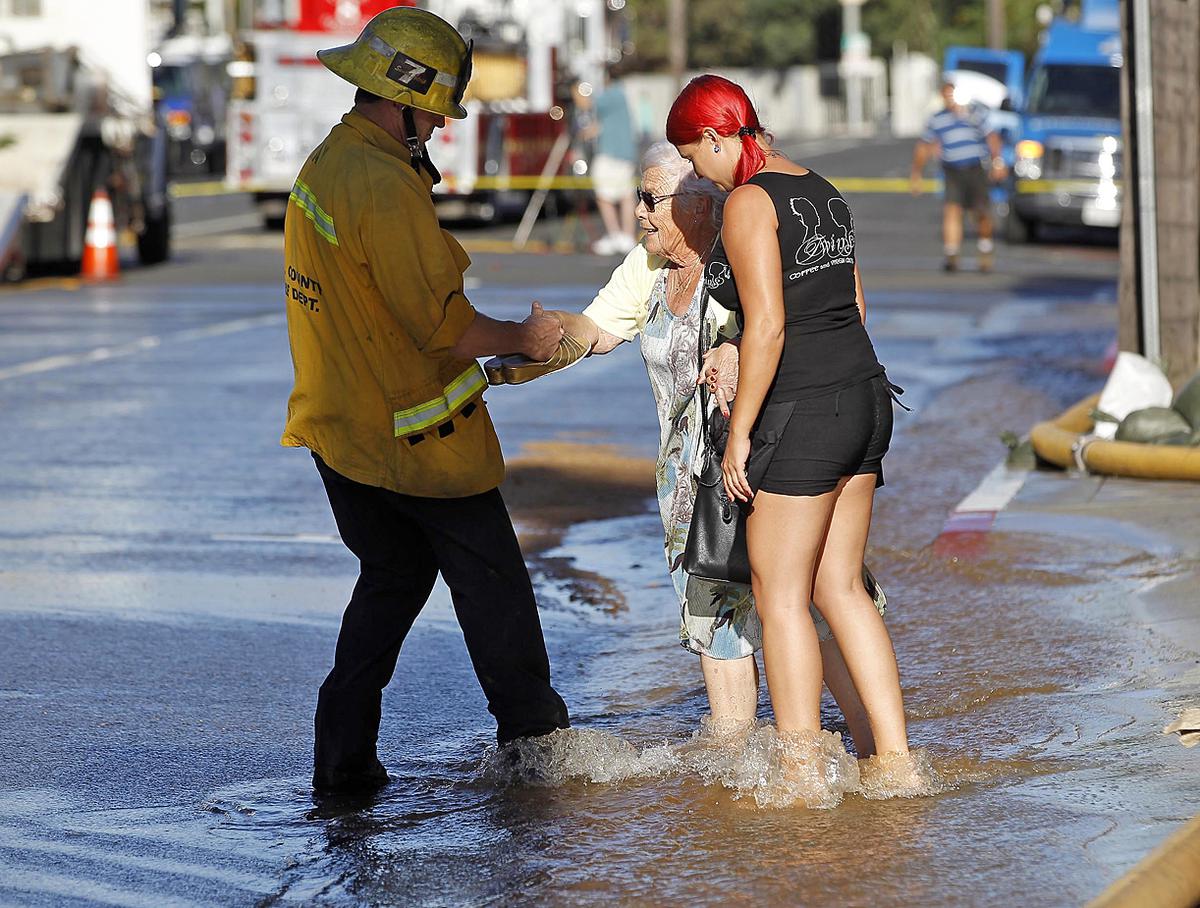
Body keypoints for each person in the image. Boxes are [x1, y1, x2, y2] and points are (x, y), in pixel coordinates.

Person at [494, 141, 889, 755]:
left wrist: (735, 350)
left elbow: (815, 320)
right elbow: (596, 332)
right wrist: (535, 341)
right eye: (637, 199)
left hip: (778, 462)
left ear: (701, 204)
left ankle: (870, 755)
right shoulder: (648, 268)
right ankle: (741, 781)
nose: (640, 214)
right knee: (720, 626)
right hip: (691, 489)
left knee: (813, 604)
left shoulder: (749, 243)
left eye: (651, 200)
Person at [281, 7, 570, 796]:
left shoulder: (330, 162)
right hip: (417, 442)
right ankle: (537, 751)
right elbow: (445, 325)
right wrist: (529, 336)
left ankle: (342, 764)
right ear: (405, 102)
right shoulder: (382, 184)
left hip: (341, 438)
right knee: (495, 589)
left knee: (391, 577)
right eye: (436, 115)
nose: (440, 130)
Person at [666, 74, 921, 784]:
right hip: (866, 398)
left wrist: (742, 429)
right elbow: (857, 304)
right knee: (839, 587)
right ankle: (897, 763)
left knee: (780, 598)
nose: (697, 174)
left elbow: (769, 326)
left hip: (806, 408)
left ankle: (801, 772)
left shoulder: (749, 202)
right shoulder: (824, 189)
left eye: (693, 157)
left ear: (718, 138)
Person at [910, 77, 1008, 273]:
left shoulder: (973, 114)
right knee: (952, 210)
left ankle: (985, 249)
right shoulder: (937, 119)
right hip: (952, 170)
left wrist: (998, 162)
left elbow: (992, 137)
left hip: (975, 167)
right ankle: (952, 254)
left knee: (980, 211)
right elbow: (924, 145)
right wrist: (916, 173)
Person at [581, 80, 638, 256]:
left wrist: (577, 90)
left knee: (605, 194)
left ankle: (617, 235)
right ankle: (626, 235)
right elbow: (604, 124)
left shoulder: (612, 94)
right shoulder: (620, 96)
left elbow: (586, 103)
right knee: (625, 193)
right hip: (625, 152)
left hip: (611, 153)